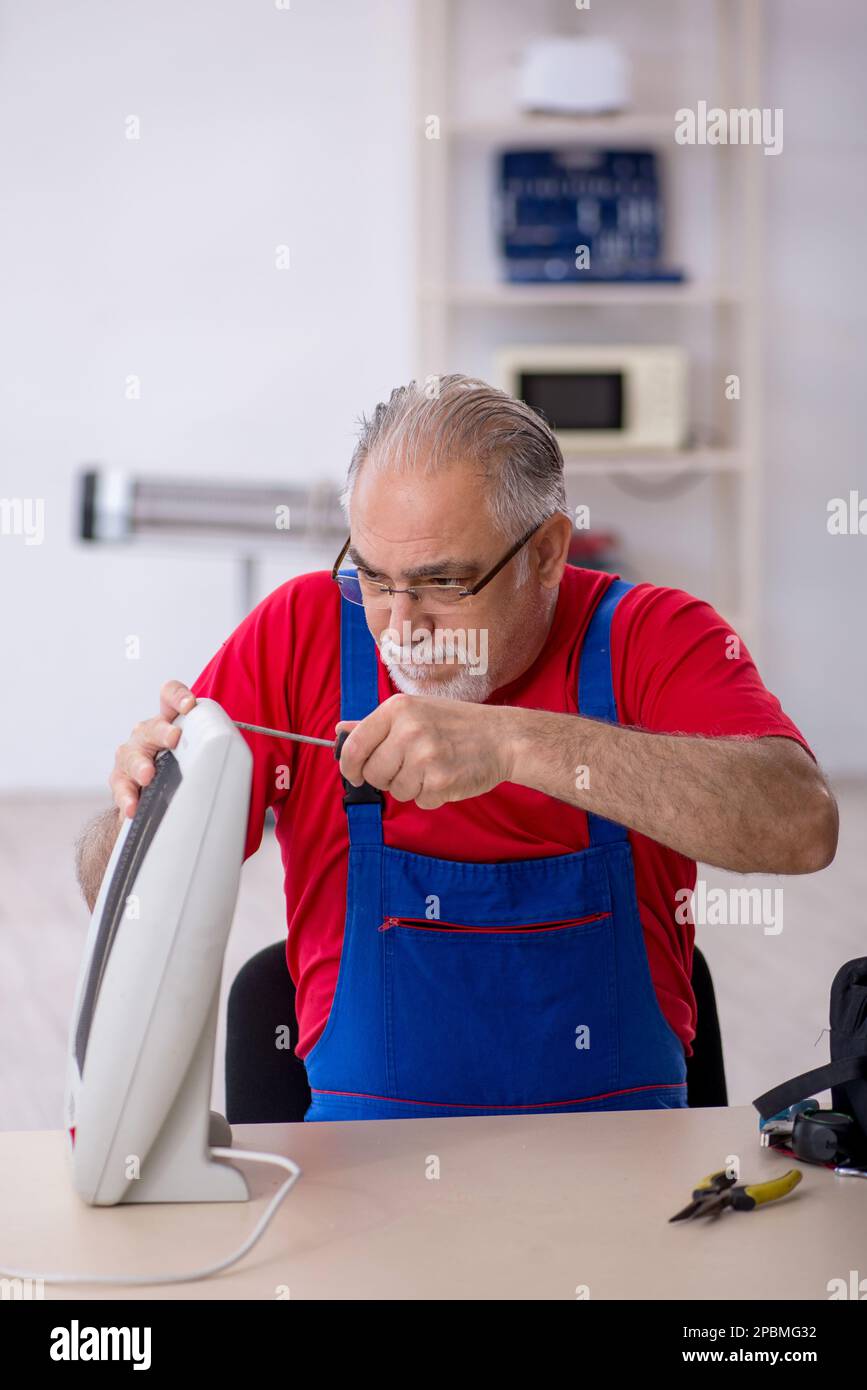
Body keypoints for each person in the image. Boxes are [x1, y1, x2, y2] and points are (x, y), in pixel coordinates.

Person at [76, 375, 838, 1121]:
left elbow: (801, 825)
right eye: (374, 578)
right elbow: (119, 899)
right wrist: (143, 811)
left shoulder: (652, 634)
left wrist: (514, 743)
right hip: (364, 1182)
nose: (400, 625)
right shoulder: (299, 632)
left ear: (545, 553)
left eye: (443, 582)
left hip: (622, 1171)